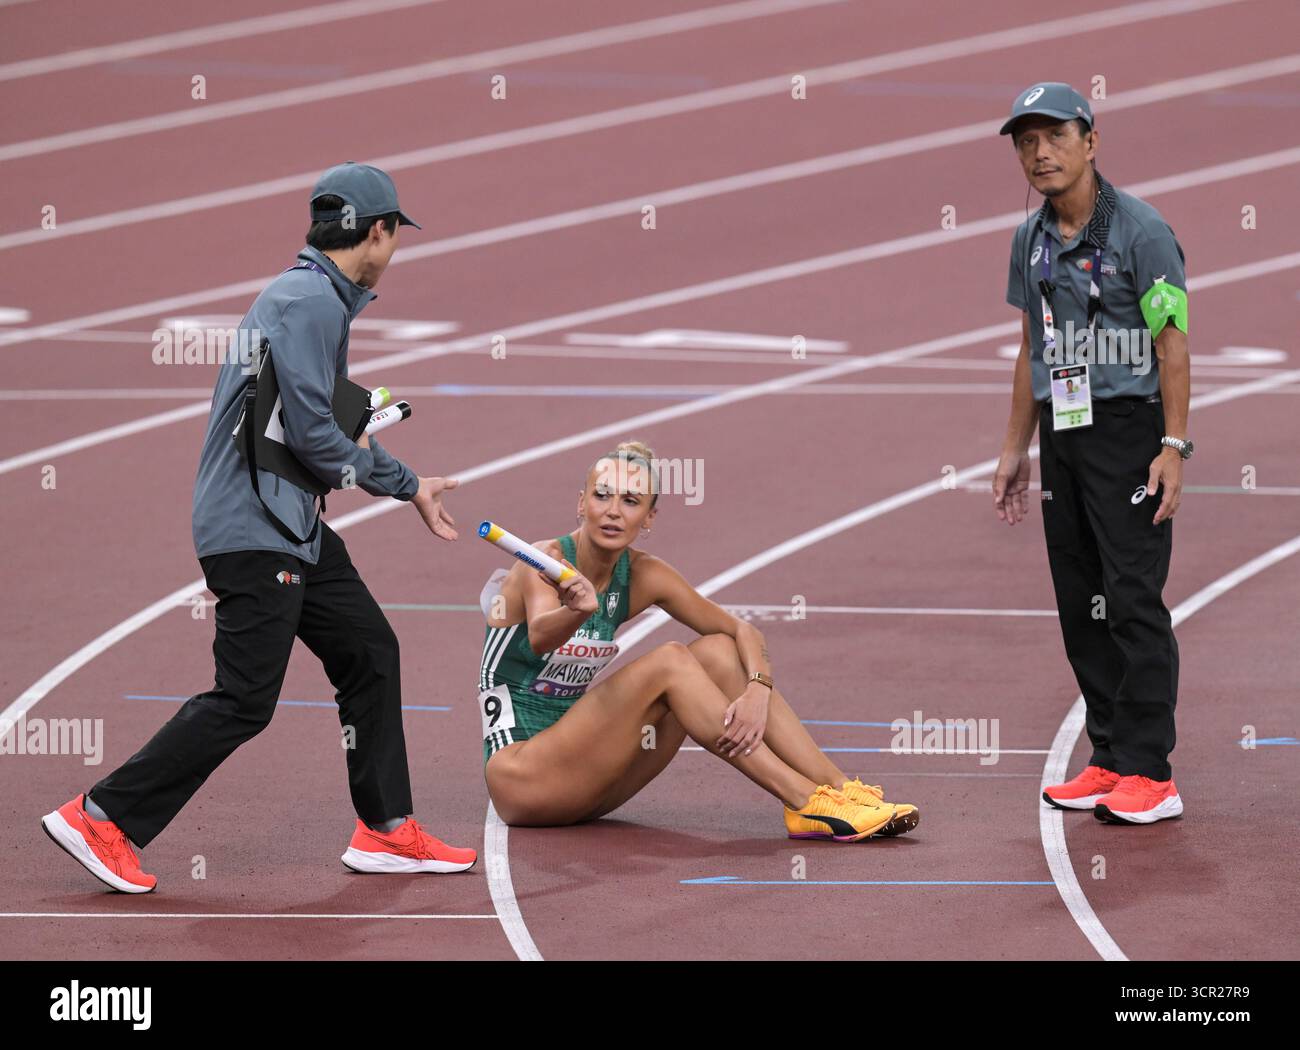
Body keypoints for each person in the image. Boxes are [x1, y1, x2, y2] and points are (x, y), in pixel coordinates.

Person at [41, 162, 476, 892]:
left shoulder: (312, 298)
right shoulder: (309, 303)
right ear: (378, 231)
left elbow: (316, 421)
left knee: (370, 651)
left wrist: (387, 458)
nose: (396, 245)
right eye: (396, 231)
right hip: (256, 526)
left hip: (291, 521)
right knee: (244, 699)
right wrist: (404, 485)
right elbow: (312, 436)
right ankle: (102, 817)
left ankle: (386, 828)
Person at [476, 441, 920, 842]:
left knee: (717, 652)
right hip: (522, 779)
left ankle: (842, 790)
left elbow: (742, 630)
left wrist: (757, 689)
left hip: (587, 782)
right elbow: (538, 635)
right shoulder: (544, 561)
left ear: (649, 518)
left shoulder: (644, 574)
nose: (613, 511)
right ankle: (804, 800)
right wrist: (577, 607)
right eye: (602, 495)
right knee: (670, 660)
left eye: (630, 501)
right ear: (581, 503)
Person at [992, 84, 1192, 825]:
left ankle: (1153, 773)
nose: (1039, 153)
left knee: (1133, 598)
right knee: (1083, 600)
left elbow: (1173, 344)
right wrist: (1014, 448)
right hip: (1063, 433)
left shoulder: (1142, 232)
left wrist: (1172, 446)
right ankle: (1109, 755)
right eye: (1025, 141)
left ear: (1091, 142)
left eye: (1053, 137)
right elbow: (1029, 350)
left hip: (1131, 431)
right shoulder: (1030, 238)